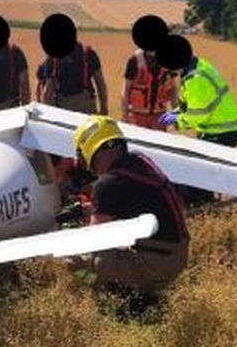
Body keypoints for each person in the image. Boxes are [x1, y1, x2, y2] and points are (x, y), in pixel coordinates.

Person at [65, 116, 189, 314]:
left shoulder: (107, 184)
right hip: (175, 252)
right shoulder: (139, 162)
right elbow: (133, 205)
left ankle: (120, 304)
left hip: (155, 263)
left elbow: (94, 240)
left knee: (72, 260)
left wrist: (69, 231)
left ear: (89, 152)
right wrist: (87, 210)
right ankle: (135, 293)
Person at [156, 35, 237, 205]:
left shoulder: (196, 79)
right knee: (201, 170)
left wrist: (176, 121)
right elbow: (191, 104)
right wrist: (176, 111)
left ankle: (203, 207)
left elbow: (197, 115)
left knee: (199, 173)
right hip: (221, 128)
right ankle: (205, 202)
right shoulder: (195, 68)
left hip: (222, 131)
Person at [37, 42, 108, 115]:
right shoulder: (88, 53)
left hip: (64, 111)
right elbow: (101, 85)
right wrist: (104, 110)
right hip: (86, 109)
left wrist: (46, 115)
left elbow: (48, 93)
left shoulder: (53, 58)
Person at [121, 49, 177, 128]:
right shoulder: (135, 60)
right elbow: (126, 90)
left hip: (159, 116)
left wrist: (175, 113)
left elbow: (172, 89)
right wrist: (125, 116)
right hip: (137, 117)